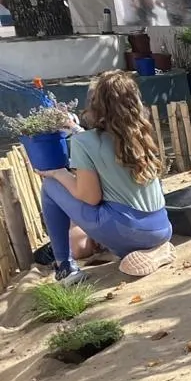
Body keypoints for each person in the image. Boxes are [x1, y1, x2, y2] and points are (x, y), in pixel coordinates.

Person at [36, 71, 174, 285]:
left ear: (95, 105)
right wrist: (75, 129)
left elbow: (90, 197)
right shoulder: (139, 134)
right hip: (162, 227)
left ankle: (65, 267)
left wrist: (57, 173)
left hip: (127, 230)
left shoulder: (84, 143)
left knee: (50, 185)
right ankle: (154, 248)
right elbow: (107, 148)